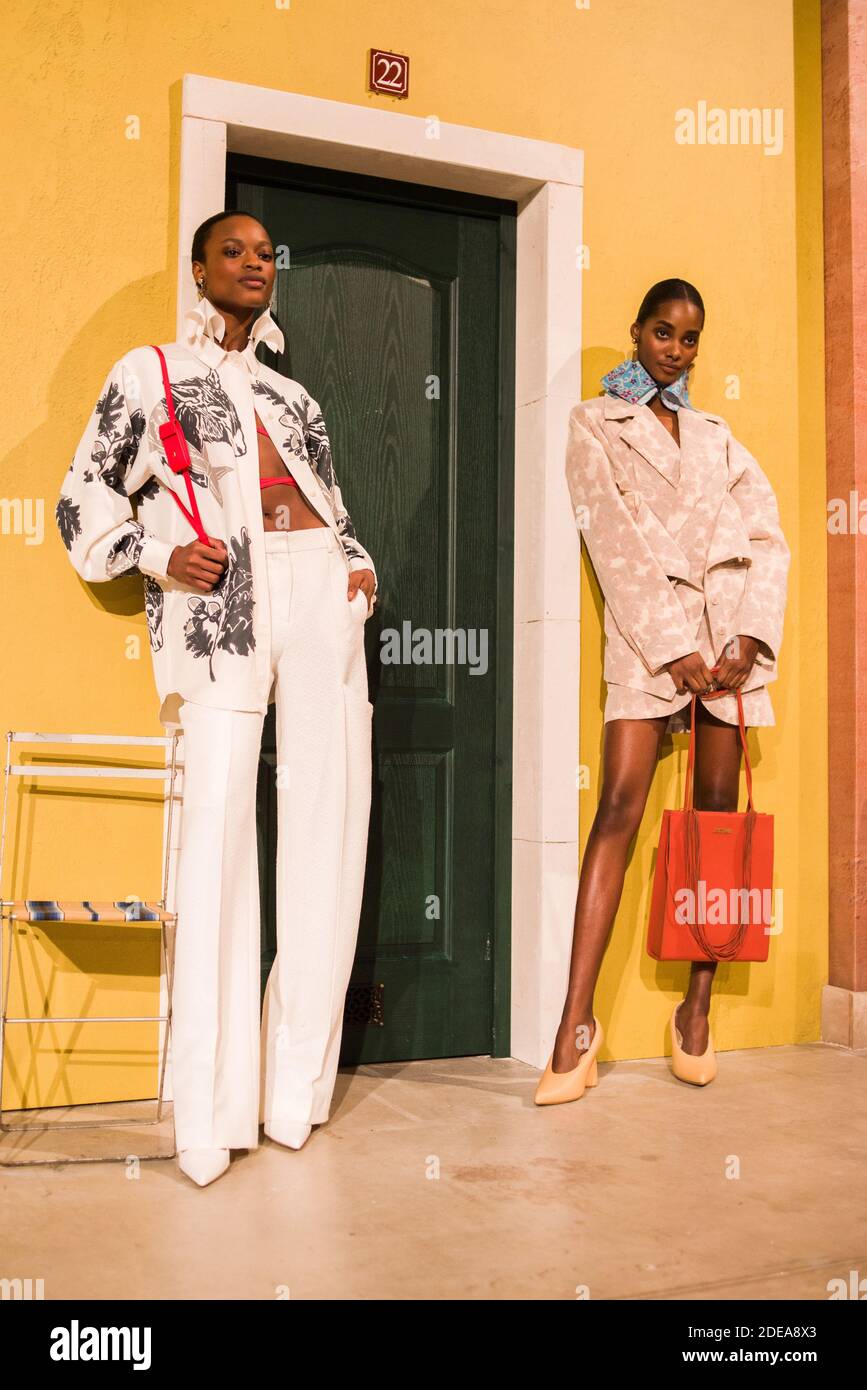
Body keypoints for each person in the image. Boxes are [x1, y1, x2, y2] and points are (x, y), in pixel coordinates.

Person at [55, 210, 378, 1184]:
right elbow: (80, 498)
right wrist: (158, 555)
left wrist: (357, 568)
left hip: (318, 592)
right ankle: (211, 1105)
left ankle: (293, 1094)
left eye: (265, 253)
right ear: (199, 268)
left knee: (329, 822)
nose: (253, 264)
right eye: (231, 250)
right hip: (219, 613)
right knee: (217, 845)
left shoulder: (295, 396)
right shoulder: (147, 373)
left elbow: (334, 507)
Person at [535, 278, 790, 1105]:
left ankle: (695, 1008)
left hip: (727, 652)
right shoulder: (591, 422)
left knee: (715, 821)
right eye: (662, 332)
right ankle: (575, 1027)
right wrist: (672, 646)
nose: (675, 349)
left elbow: (767, 537)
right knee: (616, 809)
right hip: (651, 646)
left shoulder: (719, 437)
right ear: (636, 331)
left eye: (688, 338)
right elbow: (606, 536)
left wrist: (748, 636)